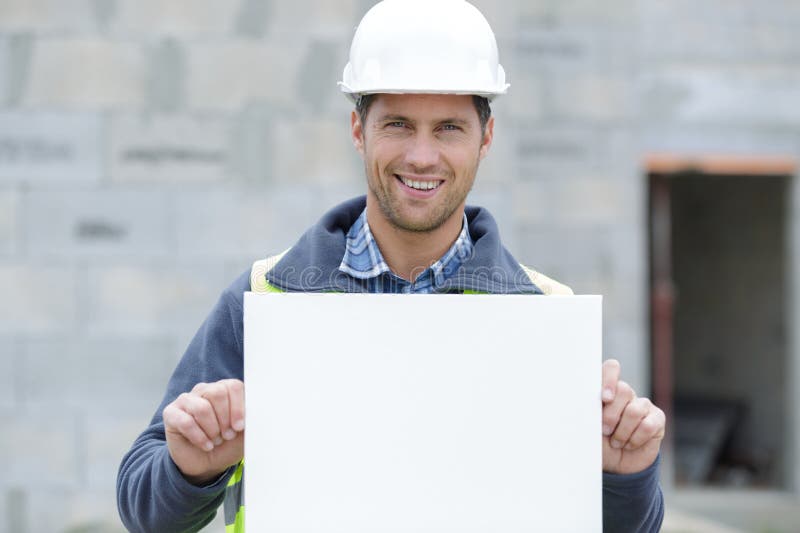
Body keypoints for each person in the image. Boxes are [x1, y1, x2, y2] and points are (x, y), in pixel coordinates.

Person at [117, 0, 666, 531]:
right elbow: (145, 510)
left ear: (486, 138)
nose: (422, 156)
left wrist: (625, 478)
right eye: (398, 124)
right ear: (359, 132)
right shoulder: (263, 300)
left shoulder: (545, 317)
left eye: (448, 128)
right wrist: (190, 469)